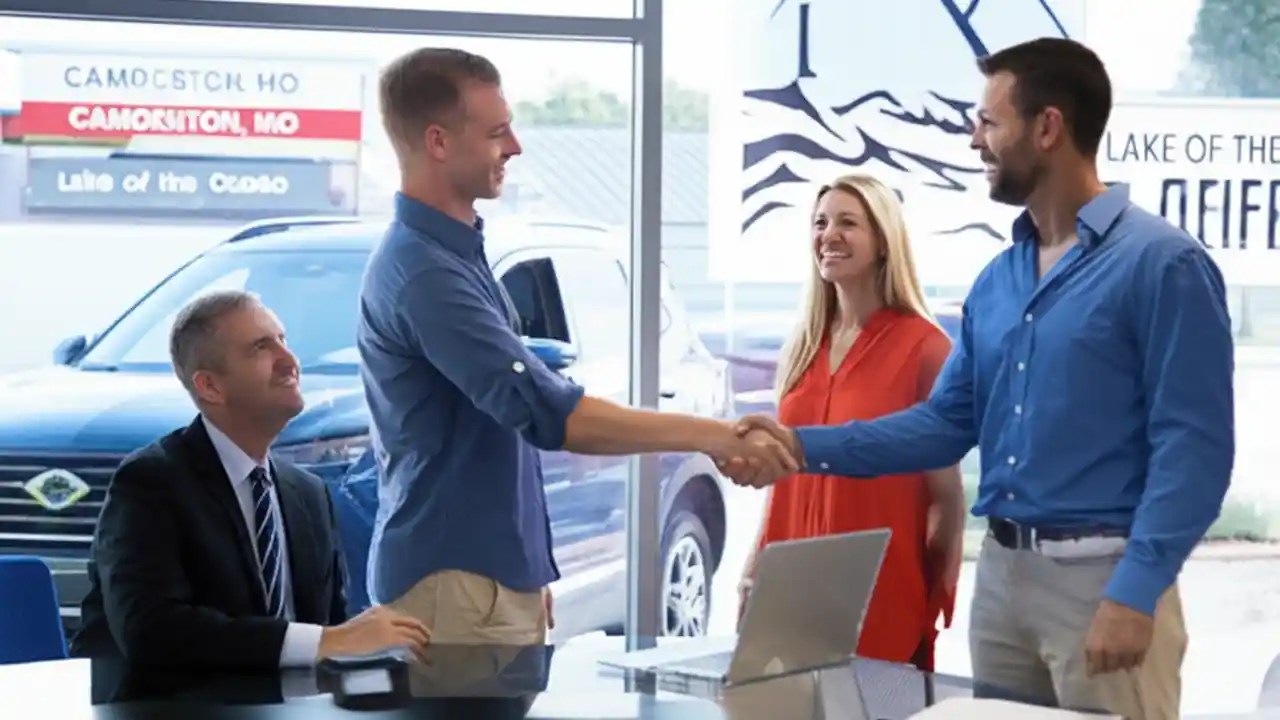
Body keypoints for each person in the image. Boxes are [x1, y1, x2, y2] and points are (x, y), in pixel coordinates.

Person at [726, 37, 1233, 719]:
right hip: (1003, 582)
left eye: (989, 122)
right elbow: (941, 426)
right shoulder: (999, 281)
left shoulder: (1162, 265)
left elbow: (1194, 450)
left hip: (1104, 580)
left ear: (1048, 127)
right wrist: (797, 444)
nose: (974, 140)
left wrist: (1136, 590)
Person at [357, 47, 795, 645]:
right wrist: (714, 434)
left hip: (480, 579)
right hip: (452, 586)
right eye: (496, 132)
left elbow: (494, 437)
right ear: (437, 142)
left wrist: (525, 568)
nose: (514, 147)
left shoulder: (455, 254)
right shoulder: (426, 274)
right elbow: (547, 411)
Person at [72, 290, 430, 677]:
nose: (289, 361)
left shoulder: (307, 494)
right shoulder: (151, 483)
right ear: (210, 386)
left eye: (283, 341)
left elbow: (336, 635)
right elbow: (153, 631)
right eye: (261, 347)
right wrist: (325, 641)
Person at [738, 173, 964, 673]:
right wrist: (754, 567)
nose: (828, 235)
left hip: (879, 591)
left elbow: (946, 497)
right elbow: (783, 479)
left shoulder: (925, 349)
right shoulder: (803, 345)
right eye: (820, 223)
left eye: (848, 222)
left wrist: (932, 599)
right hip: (792, 587)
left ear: (884, 241)